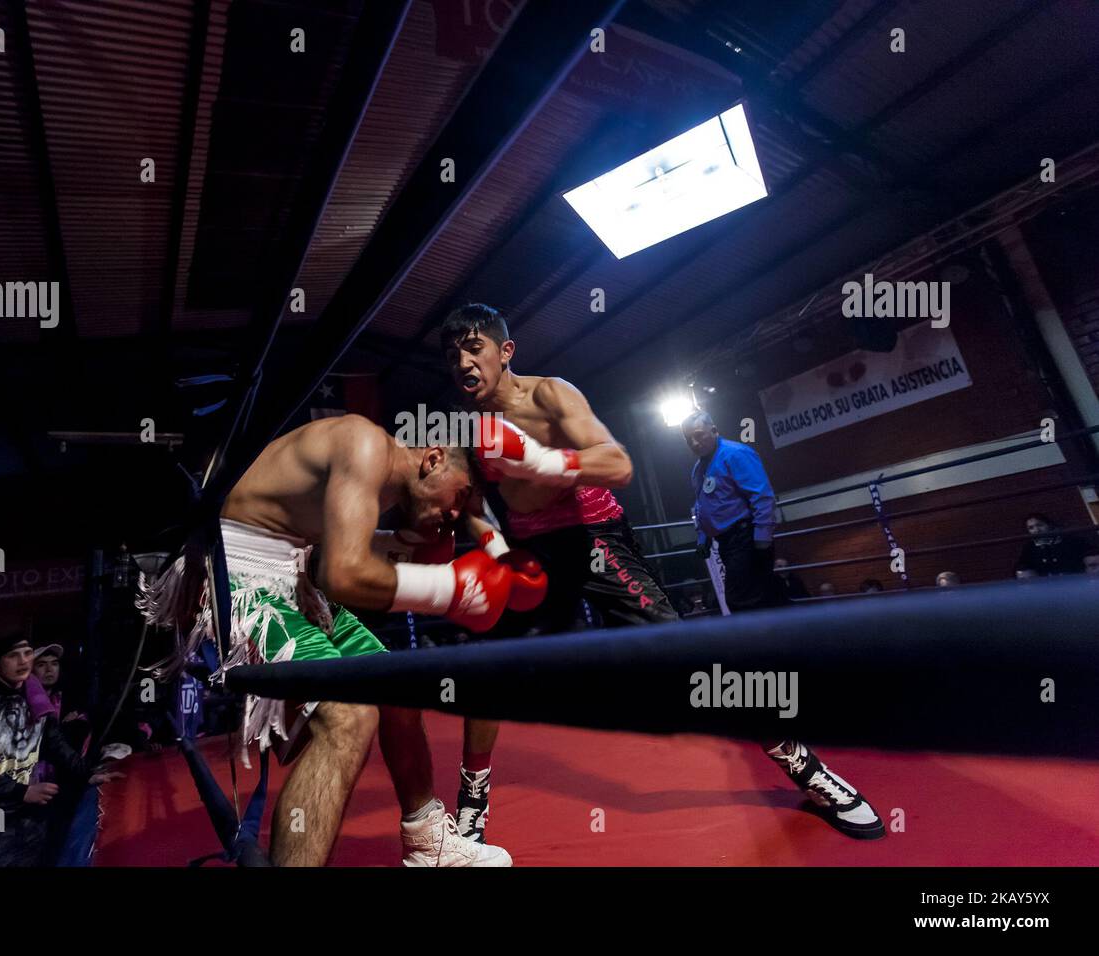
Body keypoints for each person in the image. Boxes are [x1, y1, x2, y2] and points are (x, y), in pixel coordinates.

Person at [139, 414, 518, 867]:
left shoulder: (378, 481)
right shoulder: (364, 443)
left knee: (401, 685)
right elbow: (341, 574)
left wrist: (445, 548)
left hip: (292, 577)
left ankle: (427, 841)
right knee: (349, 718)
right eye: (459, 496)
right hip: (237, 576)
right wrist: (449, 591)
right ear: (433, 458)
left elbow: (331, 554)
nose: (455, 514)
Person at [439, 304, 680, 844]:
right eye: (452, 354)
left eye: (474, 348)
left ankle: (801, 763)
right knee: (488, 666)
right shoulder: (464, 427)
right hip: (529, 548)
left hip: (591, 534)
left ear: (505, 352)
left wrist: (544, 463)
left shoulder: (550, 395)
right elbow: (470, 505)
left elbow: (617, 464)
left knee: (681, 644)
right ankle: (472, 801)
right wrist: (494, 545)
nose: (462, 362)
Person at [681, 409, 884, 839]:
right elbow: (701, 508)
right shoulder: (698, 468)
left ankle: (765, 668)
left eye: (700, 435)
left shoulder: (736, 454)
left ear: (714, 430)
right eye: (690, 438)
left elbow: (762, 496)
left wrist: (761, 541)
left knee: (744, 601)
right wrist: (702, 539)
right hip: (725, 541)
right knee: (766, 599)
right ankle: (799, 644)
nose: (696, 442)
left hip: (745, 537)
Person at [0, 634, 122, 867]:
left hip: (28, 814)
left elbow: (55, 744)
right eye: (13, 655)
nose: (23, 661)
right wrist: (21, 791)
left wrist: (87, 773)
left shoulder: (37, 700)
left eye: (27, 654)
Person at [1015, 513, 1087, 576]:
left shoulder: (1070, 540)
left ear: (1049, 524)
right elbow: (1021, 567)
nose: (1036, 530)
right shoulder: (1029, 548)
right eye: (1031, 528)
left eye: (1039, 525)